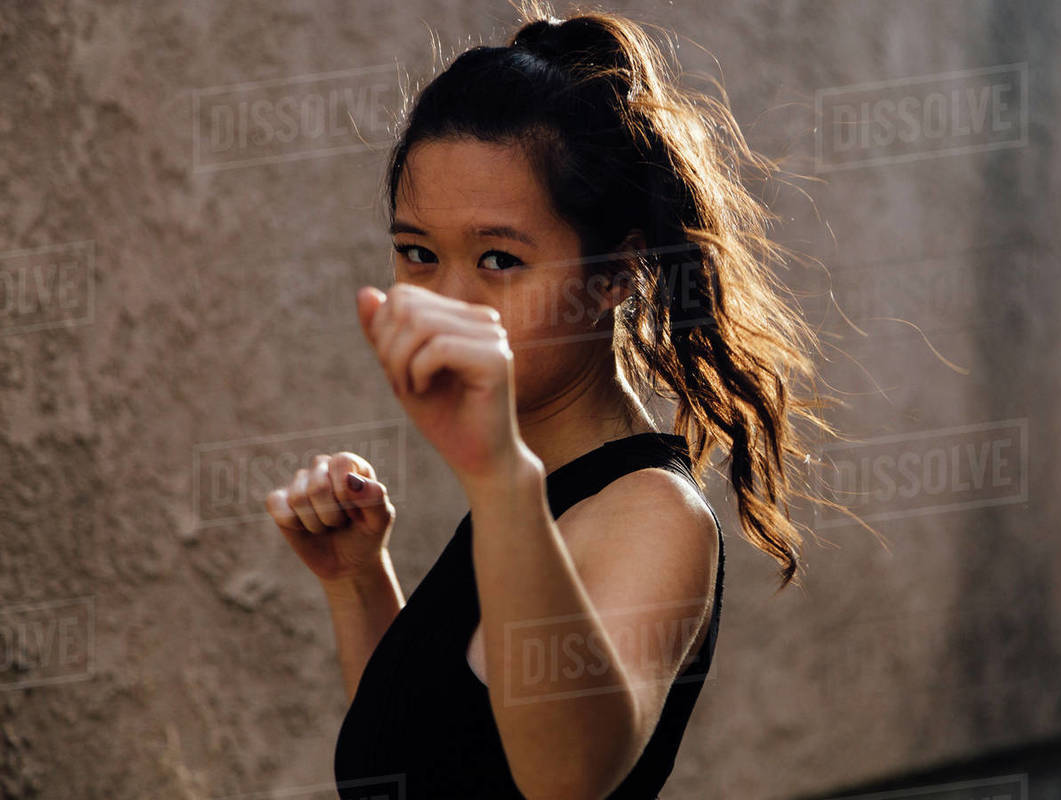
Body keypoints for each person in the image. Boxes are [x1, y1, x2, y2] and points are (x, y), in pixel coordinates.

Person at [265, 2, 857, 797]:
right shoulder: (522, 497)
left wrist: (498, 475)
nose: (449, 300)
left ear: (614, 275)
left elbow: (564, 778)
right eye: (417, 253)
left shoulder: (652, 516)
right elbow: (422, 759)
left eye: (500, 259)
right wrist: (356, 579)